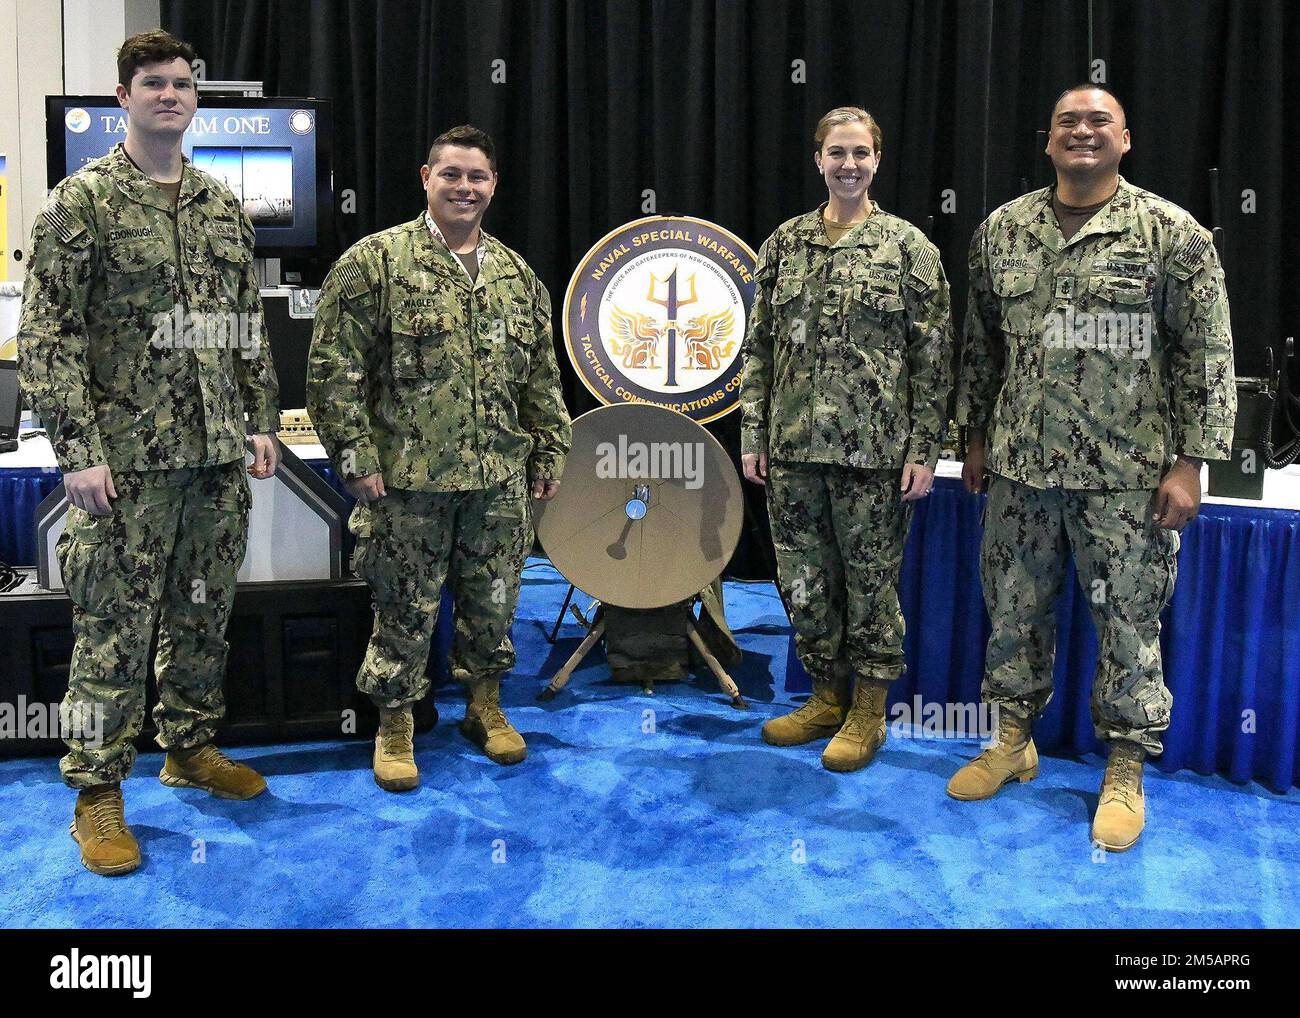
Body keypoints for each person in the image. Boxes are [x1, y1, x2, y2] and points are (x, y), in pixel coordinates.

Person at [19, 30, 281, 876]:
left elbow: (244, 324)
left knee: (203, 614)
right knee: (111, 631)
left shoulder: (219, 204)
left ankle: (189, 747)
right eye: (153, 83)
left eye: (182, 84)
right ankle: (96, 791)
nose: (170, 95)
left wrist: (259, 418)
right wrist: (77, 450)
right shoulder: (82, 203)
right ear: (123, 98)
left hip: (213, 459)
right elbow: (49, 335)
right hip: (124, 466)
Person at [952, 85, 1236, 851]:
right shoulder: (1002, 232)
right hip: (1020, 468)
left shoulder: (1171, 234)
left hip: (1126, 475)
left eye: (1098, 121)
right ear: (1048, 141)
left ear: (1125, 139)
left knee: (1128, 626)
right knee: (1013, 612)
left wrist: (1192, 464)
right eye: (1067, 122)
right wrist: (972, 437)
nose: (1082, 131)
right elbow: (980, 345)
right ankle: (1011, 741)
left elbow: (1206, 356)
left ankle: (1125, 767)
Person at [307, 125, 571, 789]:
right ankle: (395, 722)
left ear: (493, 185)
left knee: (494, 603)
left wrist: (549, 449)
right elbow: (333, 370)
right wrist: (355, 457)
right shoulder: (376, 263)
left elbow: (541, 378)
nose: (464, 187)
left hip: (497, 480)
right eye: (451, 174)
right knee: (403, 609)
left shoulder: (516, 276)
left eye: (477, 176)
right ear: (426, 179)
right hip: (406, 483)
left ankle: (485, 705)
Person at [740, 106, 953, 772]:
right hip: (794, 449)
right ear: (819, 161)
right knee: (804, 583)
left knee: (870, 587)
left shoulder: (908, 249)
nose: (849, 164)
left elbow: (933, 360)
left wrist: (924, 450)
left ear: (877, 161)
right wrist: (753, 432)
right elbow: (759, 347)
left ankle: (868, 712)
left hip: (873, 455)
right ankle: (824, 698)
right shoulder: (785, 244)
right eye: (837, 153)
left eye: (860, 153)